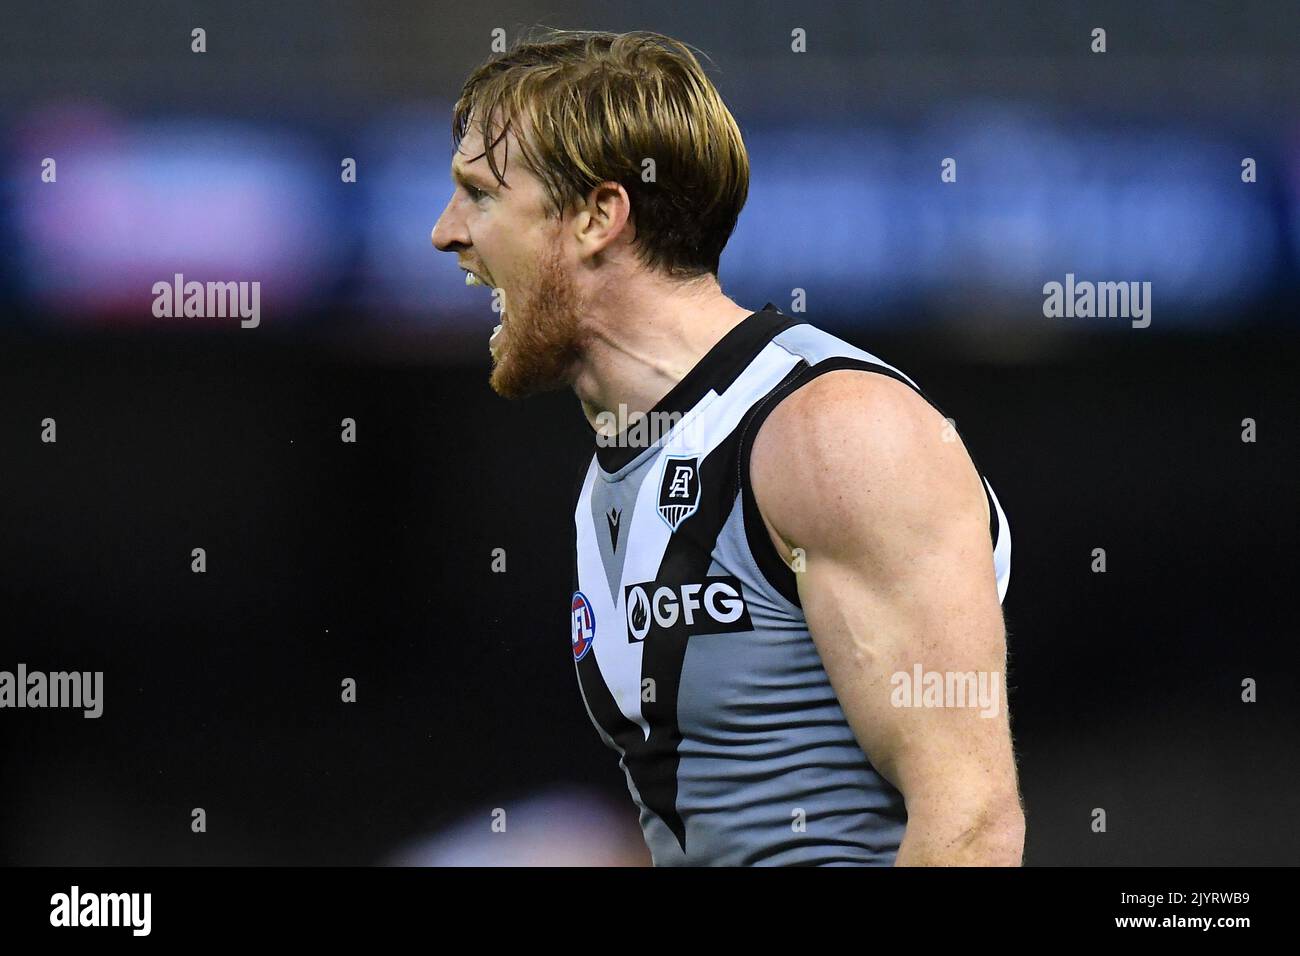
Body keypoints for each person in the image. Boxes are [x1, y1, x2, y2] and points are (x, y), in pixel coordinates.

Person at [431, 28, 1022, 866]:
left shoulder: (831, 430)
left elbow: (971, 823)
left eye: (480, 194)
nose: (445, 232)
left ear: (600, 215)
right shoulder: (619, 468)